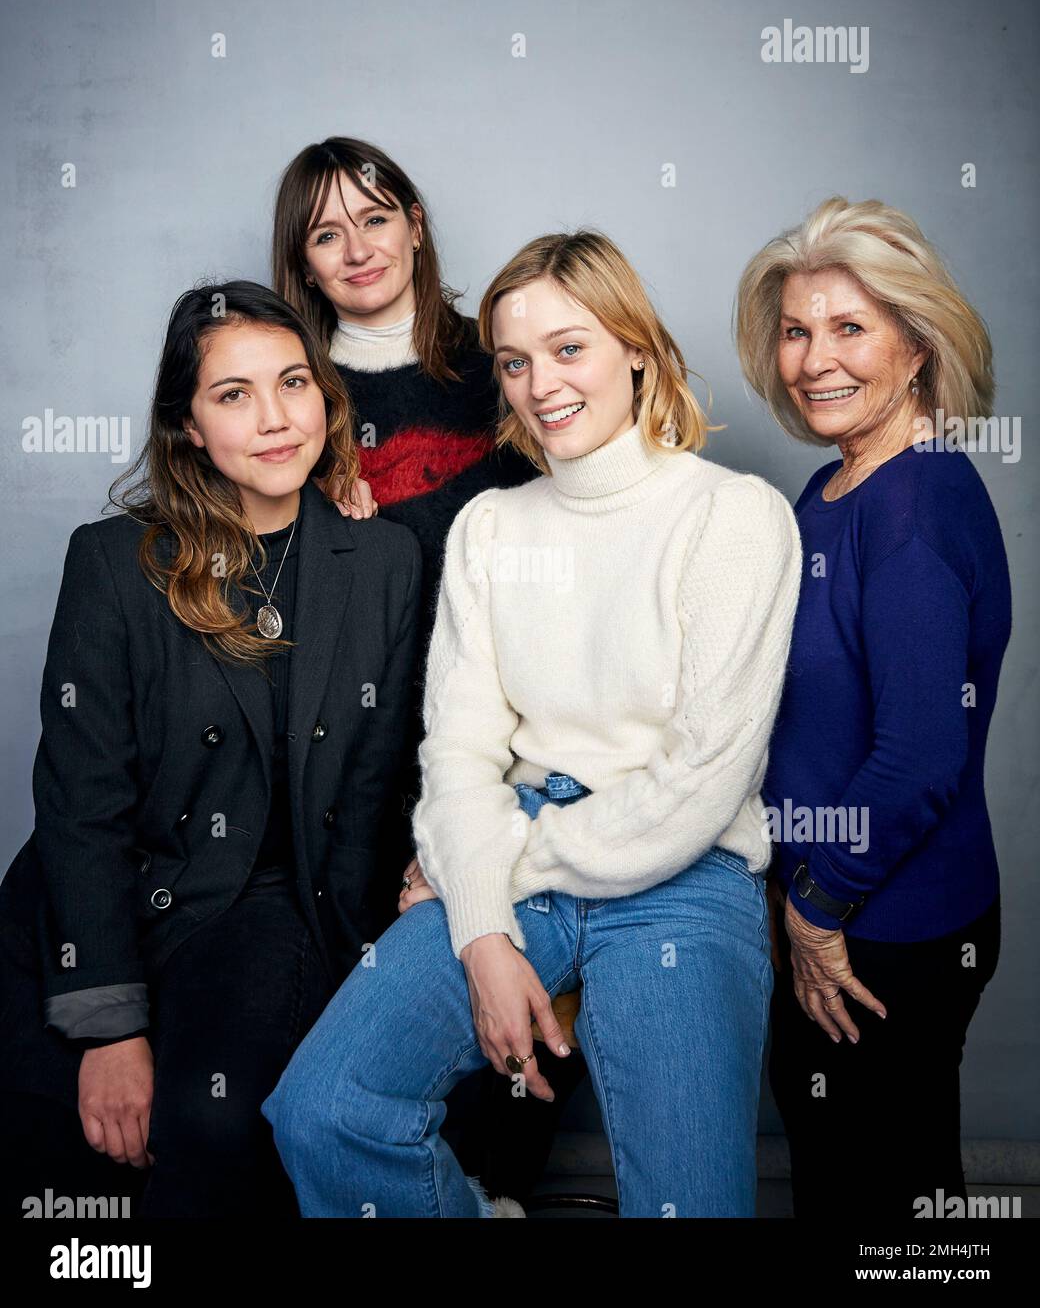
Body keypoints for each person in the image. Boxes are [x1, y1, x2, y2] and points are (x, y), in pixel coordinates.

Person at [262, 229, 802, 1218]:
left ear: (634, 348)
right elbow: (457, 754)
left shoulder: (737, 516)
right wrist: (481, 931)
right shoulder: (491, 528)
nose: (538, 382)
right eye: (513, 361)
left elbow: (696, 783)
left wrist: (496, 877)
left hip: (677, 881)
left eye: (568, 348)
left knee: (691, 1205)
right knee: (325, 1108)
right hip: (515, 858)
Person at [0, 281, 421, 1217]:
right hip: (101, 904)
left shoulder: (384, 561)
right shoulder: (113, 562)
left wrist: (377, 949)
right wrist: (108, 1024)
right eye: (233, 395)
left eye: (295, 383)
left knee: (215, 1129)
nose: (276, 419)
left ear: (326, 397)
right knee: (63, 1153)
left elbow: (379, 780)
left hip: (266, 908)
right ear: (187, 425)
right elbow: (80, 803)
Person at [271, 136, 554, 1188]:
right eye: (325, 233)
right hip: (353, 756)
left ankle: (500, 1197)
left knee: (505, 991)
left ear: (416, 223)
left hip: (504, 741)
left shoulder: (503, 364)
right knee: (361, 1013)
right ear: (301, 261)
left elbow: (583, 523)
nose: (357, 249)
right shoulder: (293, 393)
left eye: (376, 218)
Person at [735, 196, 1011, 1218]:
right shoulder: (837, 484)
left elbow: (918, 757)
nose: (814, 359)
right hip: (847, 895)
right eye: (797, 330)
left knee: (879, 1201)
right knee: (865, 1177)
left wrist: (813, 910)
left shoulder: (906, 515)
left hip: (882, 922)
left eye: (849, 328)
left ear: (915, 345)